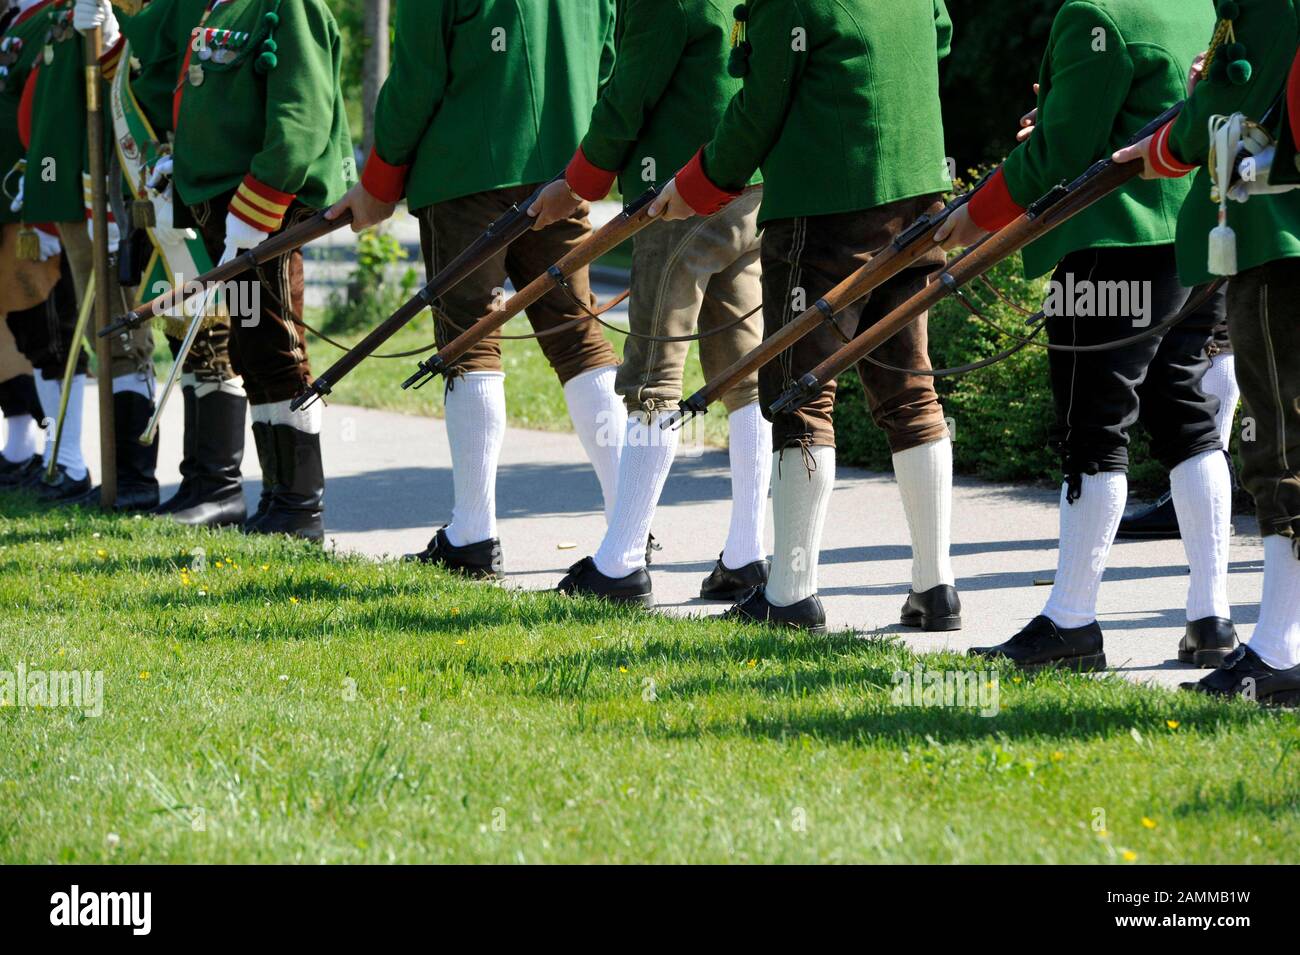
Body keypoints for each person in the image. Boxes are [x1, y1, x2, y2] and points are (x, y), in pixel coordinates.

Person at [937, 0, 1236, 672]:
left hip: (1112, 242)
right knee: (1188, 419)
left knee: (1093, 428)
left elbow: (1063, 151)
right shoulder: (1199, 4)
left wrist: (977, 214)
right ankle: (1211, 618)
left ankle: (1071, 621)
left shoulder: (1095, 12)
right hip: (1191, 240)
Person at [647, 0, 962, 634]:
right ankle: (936, 587)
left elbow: (759, 107)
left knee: (799, 396)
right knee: (909, 390)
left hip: (827, 206)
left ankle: (790, 592)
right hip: (918, 192)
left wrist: (700, 182)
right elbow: (940, 39)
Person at [327, 0, 627, 579]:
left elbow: (417, 78)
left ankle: (473, 534)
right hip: (562, 171)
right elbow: (607, 58)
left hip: (463, 170)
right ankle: (629, 524)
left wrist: (377, 183)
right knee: (579, 339)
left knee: (469, 346)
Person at [76, 0, 358, 542]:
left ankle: (300, 506)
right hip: (219, 207)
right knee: (253, 351)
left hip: (264, 209)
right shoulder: (219, 5)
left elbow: (301, 113)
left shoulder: (284, 6)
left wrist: (259, 204)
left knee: (279, 349)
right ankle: (278, 500)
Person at [527, 0, 772, 607]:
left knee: (652, 375)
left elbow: (629, 93)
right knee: (745, 375)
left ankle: (622, 560)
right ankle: (747, 553)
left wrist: (577, 183)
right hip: (749, 182)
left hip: (680, 191)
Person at [1113, 0, 1300, 704]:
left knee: (1281, 447)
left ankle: (1280, 652)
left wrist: (1168, 141)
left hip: (1276, 233)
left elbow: (1233, 101)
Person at [16, 0, 159, 508]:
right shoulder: (62, 14)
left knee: (128, 338)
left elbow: (144, 81)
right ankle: (117, 476)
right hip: (78, 194)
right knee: (106, 341)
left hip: (116, 192)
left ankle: (136, 481)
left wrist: (117, 39)